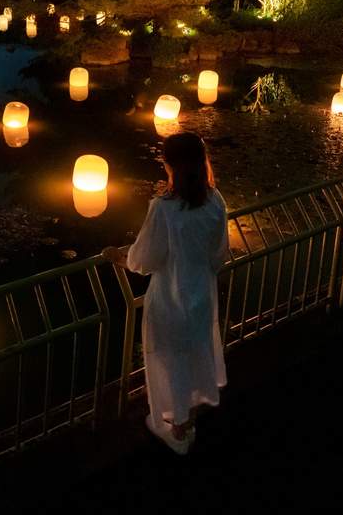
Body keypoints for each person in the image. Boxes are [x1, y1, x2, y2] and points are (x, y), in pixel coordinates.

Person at [102, 131, 229, 455]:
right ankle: (189, 420)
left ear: (168, 165)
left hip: (170, 299)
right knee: (196, 354)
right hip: (202, 293)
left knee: (170, 361)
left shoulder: (164, 208)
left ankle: (178, 430)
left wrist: (121, 258)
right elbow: (219, 254)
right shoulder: (215, 200)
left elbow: (146, 258)